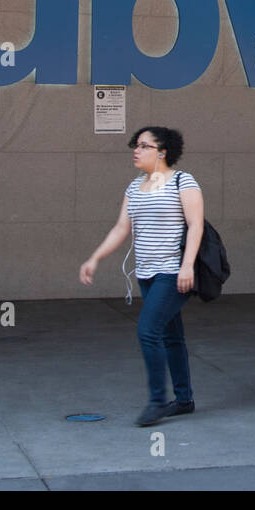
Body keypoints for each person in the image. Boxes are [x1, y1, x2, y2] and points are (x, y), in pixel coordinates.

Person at [79, 126, 203, 424]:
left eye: (144, 146)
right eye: (135, 145)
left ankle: (158, 401)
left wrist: (187, 266)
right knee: (172, 337)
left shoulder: (182, 181)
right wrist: (95, 257)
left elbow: (196, 225)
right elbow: (122, 227)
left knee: (148, 331)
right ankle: (184, 400)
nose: (136, 150)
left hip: (172, 273)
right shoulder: (135, 187)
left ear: (162, 152)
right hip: (145, 273)